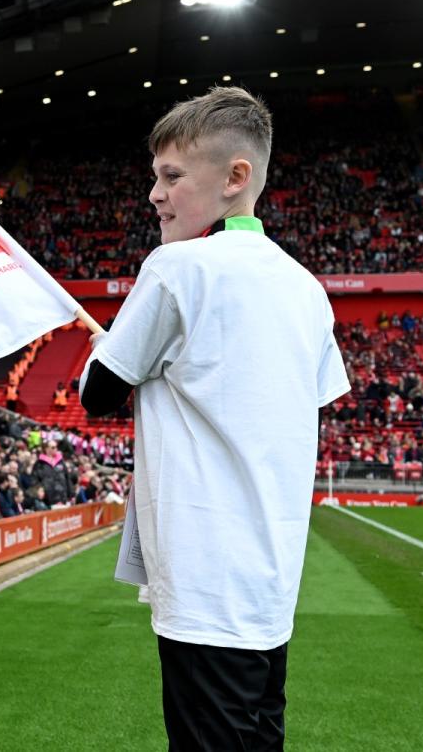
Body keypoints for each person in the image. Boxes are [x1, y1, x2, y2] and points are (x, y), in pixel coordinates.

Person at [78, 88, 349, 750]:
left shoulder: (178, 268)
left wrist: (102, 353)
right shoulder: (307, 289)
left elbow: (97, 394)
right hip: (270, 582)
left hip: (205, 580)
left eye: (172, 176)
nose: (155, 194)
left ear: (236, 178)